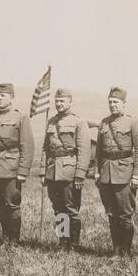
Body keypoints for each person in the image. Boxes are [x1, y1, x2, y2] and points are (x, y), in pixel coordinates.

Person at [95, 86, 138, 257]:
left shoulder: (133, 122)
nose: (112, 105)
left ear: (124, 104)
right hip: (106, 174)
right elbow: (98, 151)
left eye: (116, 102)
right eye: (110, 102)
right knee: (111, 213)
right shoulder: (104, 123)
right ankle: (116, 250)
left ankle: (126, 251)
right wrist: (97, 172)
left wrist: (137, 175)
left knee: (125, 215)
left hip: (125, 174)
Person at [42, 87, 92, 251]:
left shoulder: (79, 122)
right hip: (52, 171)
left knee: (70, 208)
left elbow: (84, 151)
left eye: (62, 100)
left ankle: (75, 244)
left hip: (69, 171)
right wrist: (43, 172)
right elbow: (45, 149)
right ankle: (63, 242)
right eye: (57, 101)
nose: (59, 104)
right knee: (58, 209)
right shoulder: (51, 122)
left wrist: (79, 176)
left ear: (70, 102)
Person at [0, 82, 34, 244]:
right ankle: (5, 238)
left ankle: (14, 241)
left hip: (12, 169)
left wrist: (22, 171)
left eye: (3, 95)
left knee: (12, 205)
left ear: (12, 97)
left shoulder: (20, 117)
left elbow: (27, 146)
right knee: (0, 206)